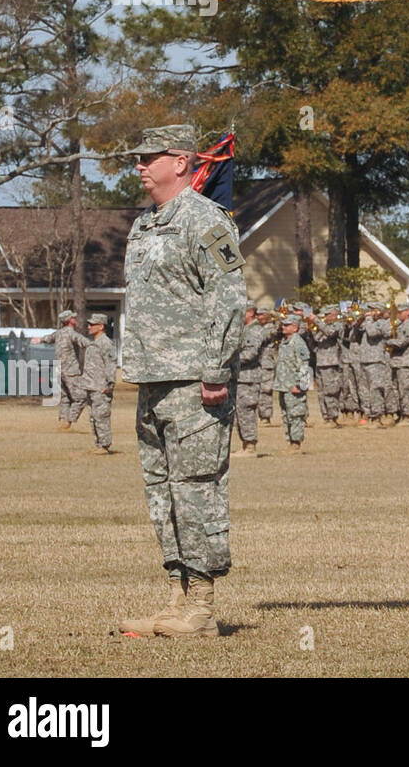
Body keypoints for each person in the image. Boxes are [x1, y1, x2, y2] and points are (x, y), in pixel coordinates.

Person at [119, 125, 246, 639]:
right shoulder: (145, 224)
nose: (140, 166)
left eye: (149, 157)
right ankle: (176, 596)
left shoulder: (206, 220)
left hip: (196, 382)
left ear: (180, 161)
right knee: (161, 491)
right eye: (138, 158)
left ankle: (201, 604)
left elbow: (229, 296)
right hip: (152, 378)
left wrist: (216, 369)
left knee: (196, 489)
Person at [38, 310, 88, 431]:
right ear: (69, 320)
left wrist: (39, 339)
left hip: (58, 370)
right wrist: (96, 345)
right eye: (73, 318)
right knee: (81, 397)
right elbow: (83, 341)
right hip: (70, 371)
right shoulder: (71, 333)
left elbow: (48, 338)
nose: (75, 319)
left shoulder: (58, 333)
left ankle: (62, 421)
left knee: (65, 398)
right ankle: (69, 421)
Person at [80, 313, 118, 455]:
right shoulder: (93, 343)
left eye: (92, 324)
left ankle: (105, 445)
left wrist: (109, 385)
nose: (88, 327)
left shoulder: (106, 343)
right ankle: (98, 444)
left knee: (101, 416)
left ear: (101, 326)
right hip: (91, 386)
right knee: (94, 417)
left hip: (101, 387)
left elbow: (110, 365)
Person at [274, 309, 312, 453]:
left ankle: (296, 444)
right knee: (286, 415)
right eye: (283, 325)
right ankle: (290, 442)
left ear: (295, 327)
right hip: (284, 385)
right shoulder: (285, 342)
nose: (283, 327)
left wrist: (300, 385)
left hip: (294, 386)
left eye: (287, 325)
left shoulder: (298, 343)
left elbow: (304, 365)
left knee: (296, 415)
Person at [232, 305, 265, 457]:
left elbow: (250, 353)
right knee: (240, 412)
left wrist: (231, 360)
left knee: (246, 411)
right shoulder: (245, 329)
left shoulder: (255, 330)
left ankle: (250, 446)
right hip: (240, 378)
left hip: (248, 378)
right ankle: (245, 444)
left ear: (250, 312)